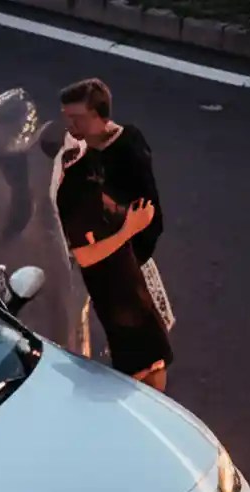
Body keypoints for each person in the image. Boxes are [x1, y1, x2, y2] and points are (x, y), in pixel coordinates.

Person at [0, 88, 87, 355]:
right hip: (29, 255)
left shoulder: (41, 214)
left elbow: (62, 297)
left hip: (50, 255)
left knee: (60, 321)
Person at [56, 129, 172, 390]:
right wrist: (128, 229)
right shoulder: (74, 196)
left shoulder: (90, 184)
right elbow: (84, 256)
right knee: (141, 370)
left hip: (131, 295)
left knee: (152, 361)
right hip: (119, 303)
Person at [58, 78, 175, 335]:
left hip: (123, 252)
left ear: (99, 115)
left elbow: (151, 214)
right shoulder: (75, 148)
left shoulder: (128, 149)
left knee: (141, 329)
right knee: (75, 317)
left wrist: (128, 261)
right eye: (66, 117)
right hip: (87, 247)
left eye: (77, 118)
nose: (70, 125)